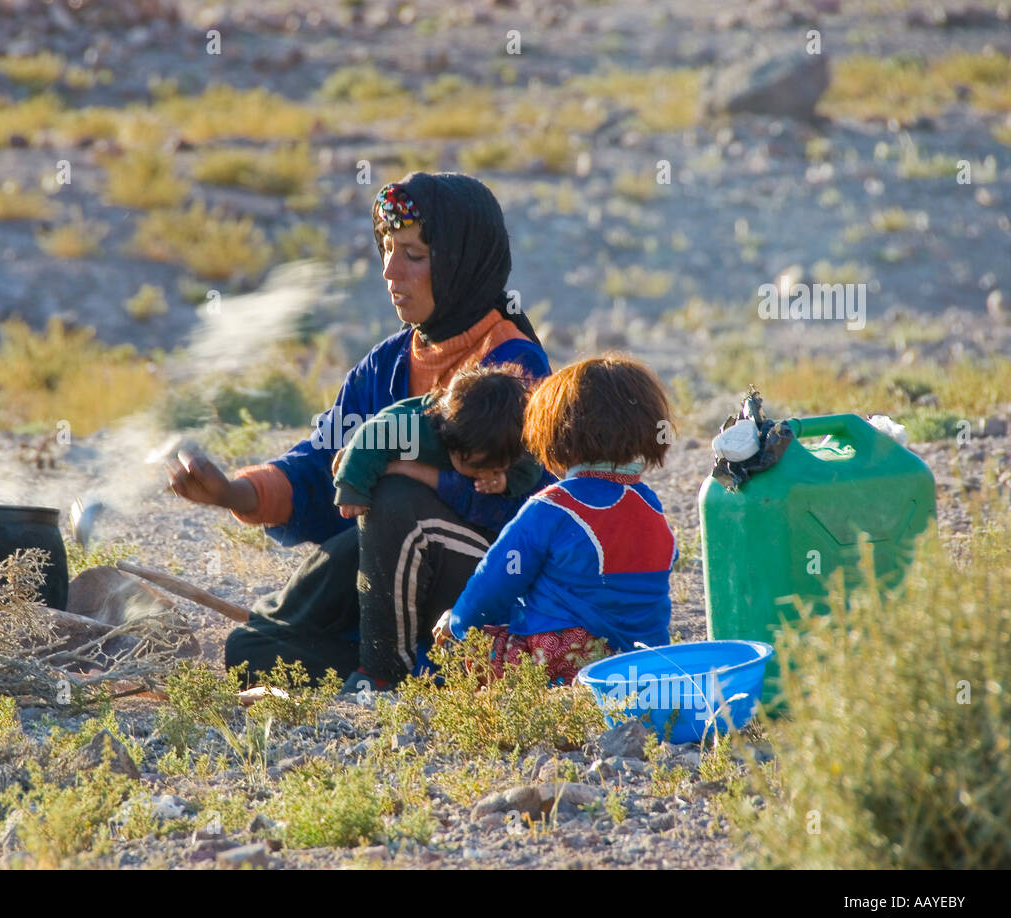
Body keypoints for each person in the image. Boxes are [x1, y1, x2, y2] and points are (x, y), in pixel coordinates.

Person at [164, 172, 551, 693]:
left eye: (414, 254)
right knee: (253, 650)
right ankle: (404, 674)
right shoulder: (387, 364)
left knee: (390, 497)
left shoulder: (513, 366)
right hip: (390, 604)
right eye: (388, 250)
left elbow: (528, 506)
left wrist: (419, 480)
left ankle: (388, 678)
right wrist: (234, 492)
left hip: (478, 599)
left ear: (462, 261)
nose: (391, 271)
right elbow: (323, 463)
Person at [432, 354, 678, 685]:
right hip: (646, 663)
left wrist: (457, 623)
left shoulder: (552, 506)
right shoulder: (649, 502)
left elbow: (494, 582)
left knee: (473, 641)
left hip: (571, 662)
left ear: (556, 435)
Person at [332, 362, 543, 518]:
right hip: (382, 442)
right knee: (386, 487)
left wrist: (505, 481)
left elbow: (532, 466)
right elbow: (374, 433)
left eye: (496, 468)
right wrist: (352, 487)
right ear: (451, 443)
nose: (485, 475)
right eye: (476, 468)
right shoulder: (416, 429)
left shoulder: (515, 439)